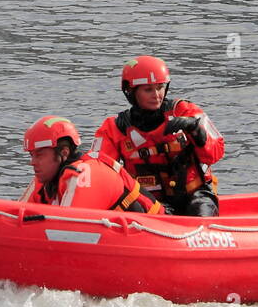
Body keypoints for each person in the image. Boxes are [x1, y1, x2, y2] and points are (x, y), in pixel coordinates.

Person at [93, 56, 225, 217]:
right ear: (131, 92)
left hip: (194, 195)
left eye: (160, 87)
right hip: (150, 203)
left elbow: (216, 153)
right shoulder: (115, 128)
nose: (156, 95)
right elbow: (99, 173)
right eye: (148, 89)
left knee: (200, 213)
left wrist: (195, 129)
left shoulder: (184, 111)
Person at [21, 115, 163, 213]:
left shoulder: (83, 173)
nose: (32, 162)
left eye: (39, 155)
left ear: (64, 153)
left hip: (158, 233)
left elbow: (67, 229)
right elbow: (16, 213)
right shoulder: (44, 179)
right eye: (31, 155)